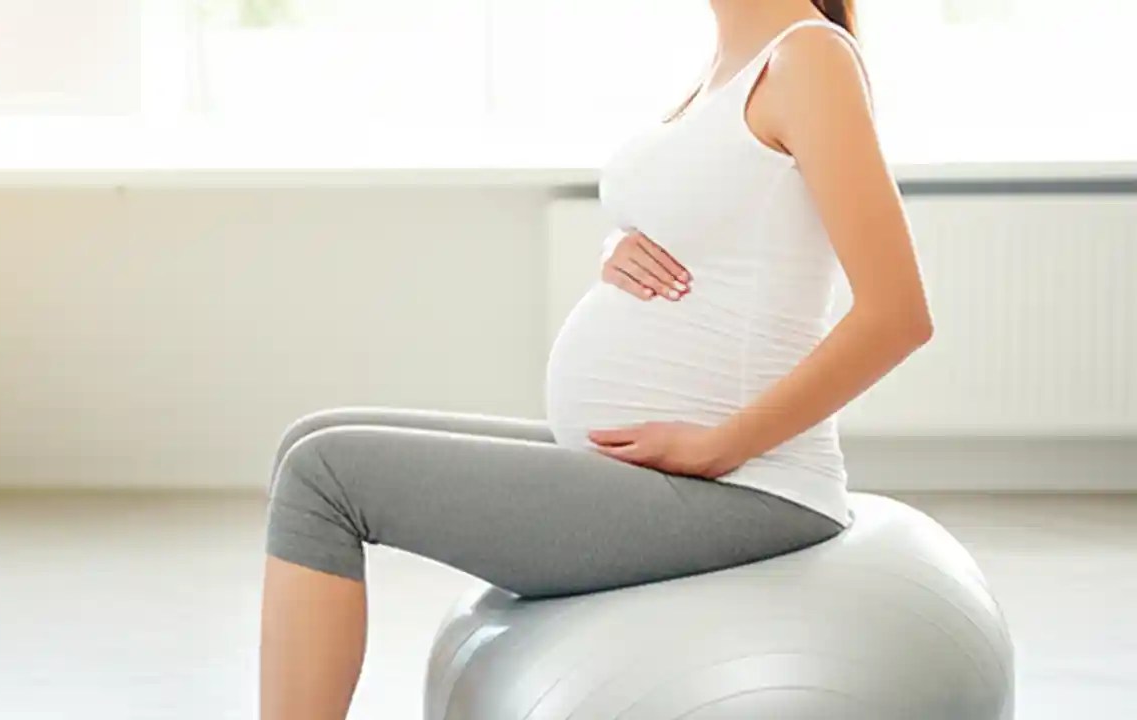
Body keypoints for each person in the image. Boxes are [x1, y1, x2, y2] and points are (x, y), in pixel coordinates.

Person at [259, 1, 933, 717]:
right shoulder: (728, 63)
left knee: (324, 475)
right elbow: (725, 222)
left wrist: (721, 446)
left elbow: (897, 317)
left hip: (748, 487)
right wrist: (621, 247)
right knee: (310, 438)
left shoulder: (809, 59)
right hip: (666, 470)